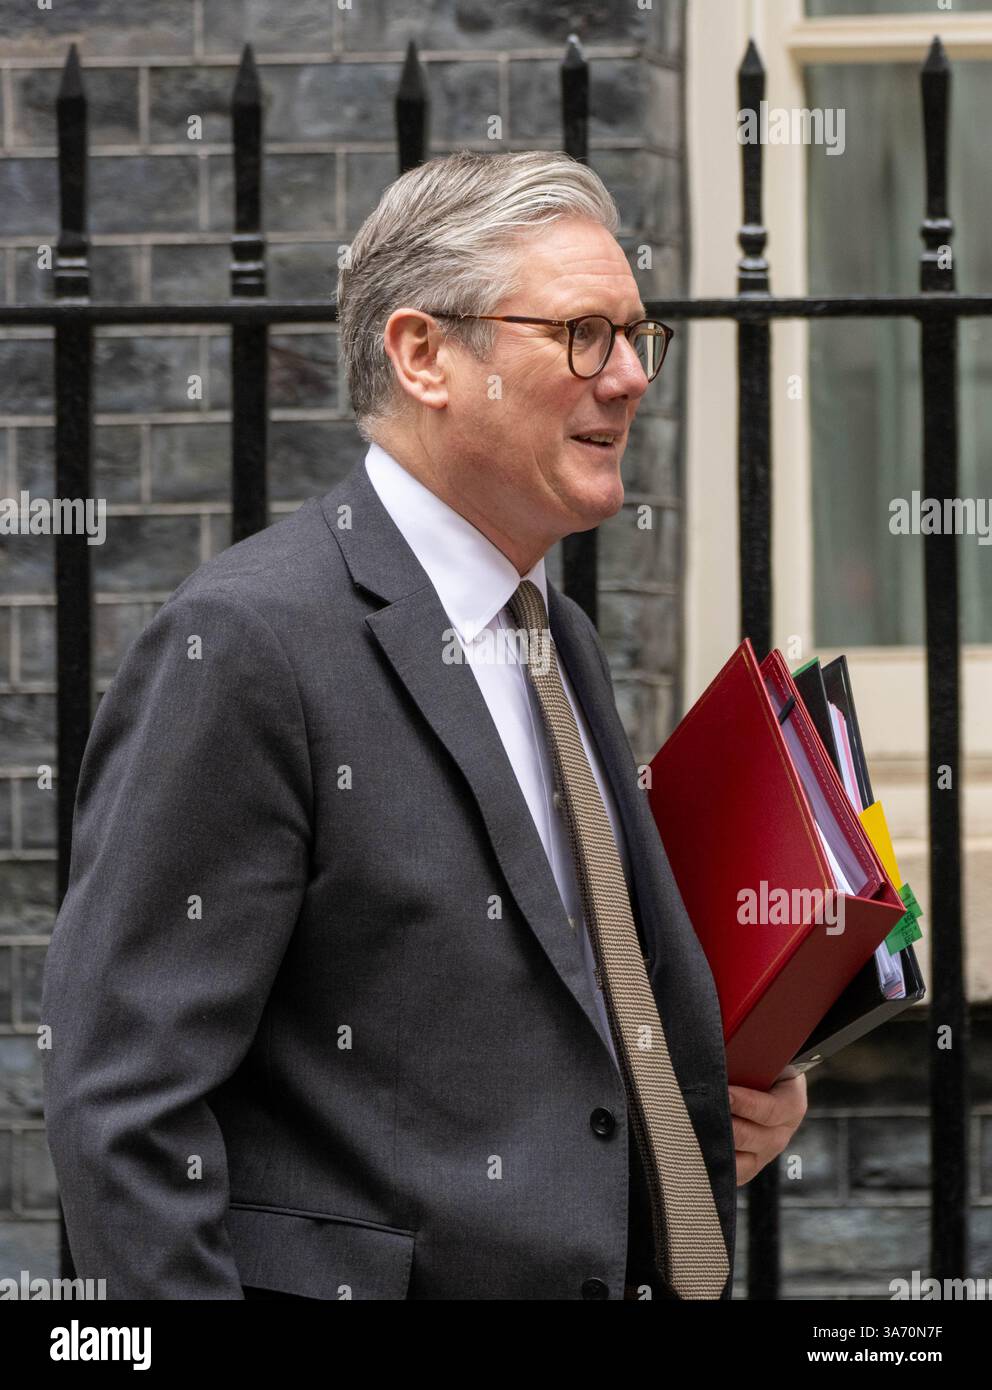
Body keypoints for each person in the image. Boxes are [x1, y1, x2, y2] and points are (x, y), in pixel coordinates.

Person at [41, 150, 806, 1301]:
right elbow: (122, 1109)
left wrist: (704, 1096)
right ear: (422, 354)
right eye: (582, 334)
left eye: (638, 339)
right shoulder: (248, 643)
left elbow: (551, 1009)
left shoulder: (561, 639)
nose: (629, 378)